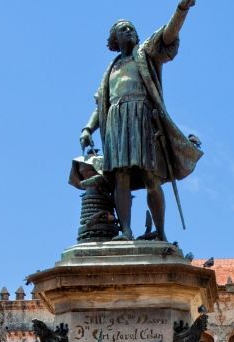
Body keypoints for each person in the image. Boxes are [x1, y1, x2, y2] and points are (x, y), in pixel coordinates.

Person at [79, 0, 202, 242]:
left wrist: (181, 9)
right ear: (115, 39)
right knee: (120, 176)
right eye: (124, 29)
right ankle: (125, 231)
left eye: (132, 28)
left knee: (151, 177)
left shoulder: (145, 53)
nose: (130, 31)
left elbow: (168, 33)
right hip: (115, 120)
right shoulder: (111, 69)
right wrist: (87, 128)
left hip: (142, 117)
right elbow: (100, 104)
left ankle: (161, 233)